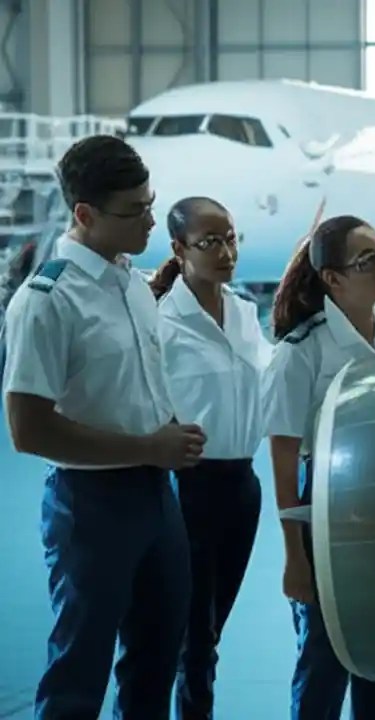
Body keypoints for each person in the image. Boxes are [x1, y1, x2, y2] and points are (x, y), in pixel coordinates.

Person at [2, 135, 202, 717]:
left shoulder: (132, 284)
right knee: (78, 674)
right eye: (134, 211)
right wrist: (147, 444)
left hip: (156, 497)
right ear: (85, 214)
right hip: (89, 505)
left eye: (151, 202)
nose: (149, 221)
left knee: (155, 662)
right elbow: (29, 430)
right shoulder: (48, 300)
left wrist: (168, 433)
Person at [262, 214, 375, 719]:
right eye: (367, 261)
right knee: (323, 657)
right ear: (333, 279)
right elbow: (283, 457)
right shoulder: (300, 352)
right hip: (321, 504)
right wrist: (293, 556)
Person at [149, 196, 269, 719]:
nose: (225, 252)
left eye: (231, 238)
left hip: (243, 486)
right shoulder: (160, 320)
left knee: (210, 633)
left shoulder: (243, 312)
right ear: (179, 248)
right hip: (187, 486)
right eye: (210, 242)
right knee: (192, 639)